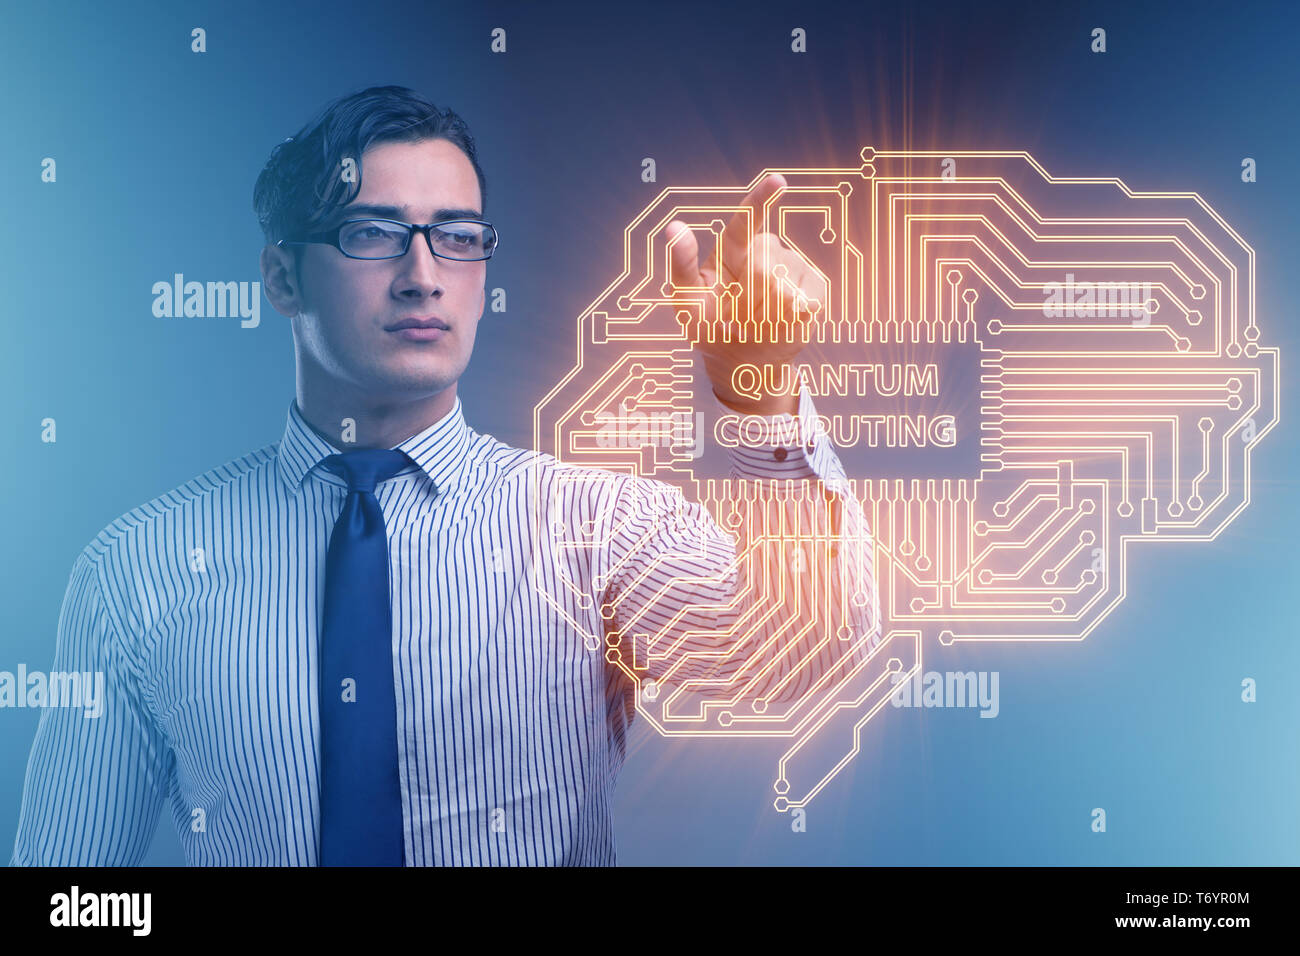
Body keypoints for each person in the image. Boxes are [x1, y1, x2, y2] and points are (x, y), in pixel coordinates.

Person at [10, 85, 878, 866]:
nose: (423, 277)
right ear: (282, 277)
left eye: (457, 237)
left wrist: (758, 387)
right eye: (373, 234)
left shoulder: (591, 527)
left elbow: (807, 649)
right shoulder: (141, 570)